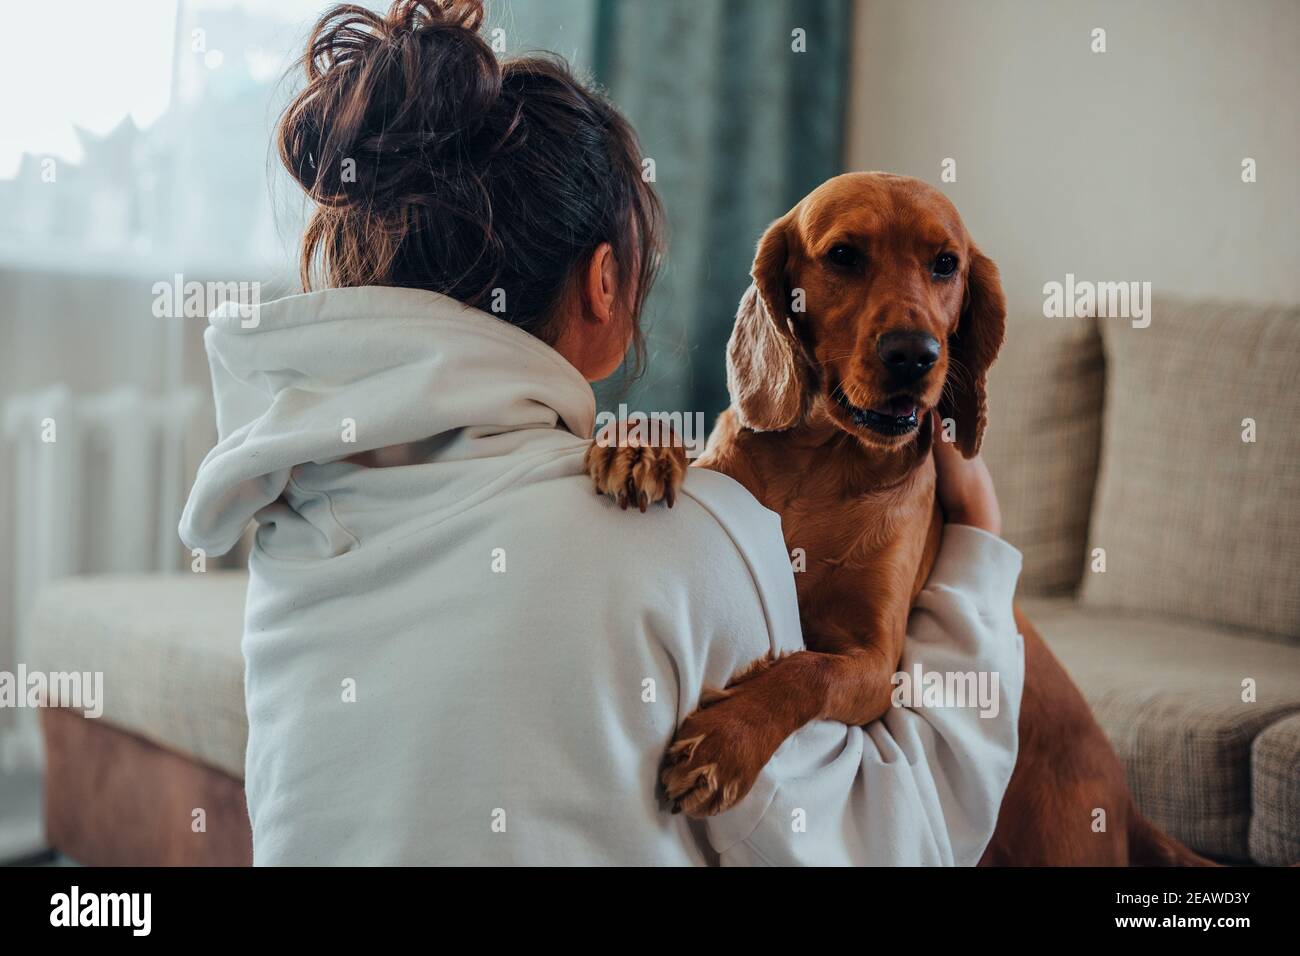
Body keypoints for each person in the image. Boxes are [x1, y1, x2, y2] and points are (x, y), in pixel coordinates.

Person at [179, 0, 1023, 865]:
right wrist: (979, 555)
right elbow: (899, 845)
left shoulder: (290, 524)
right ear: (604, 283)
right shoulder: (681, 546)